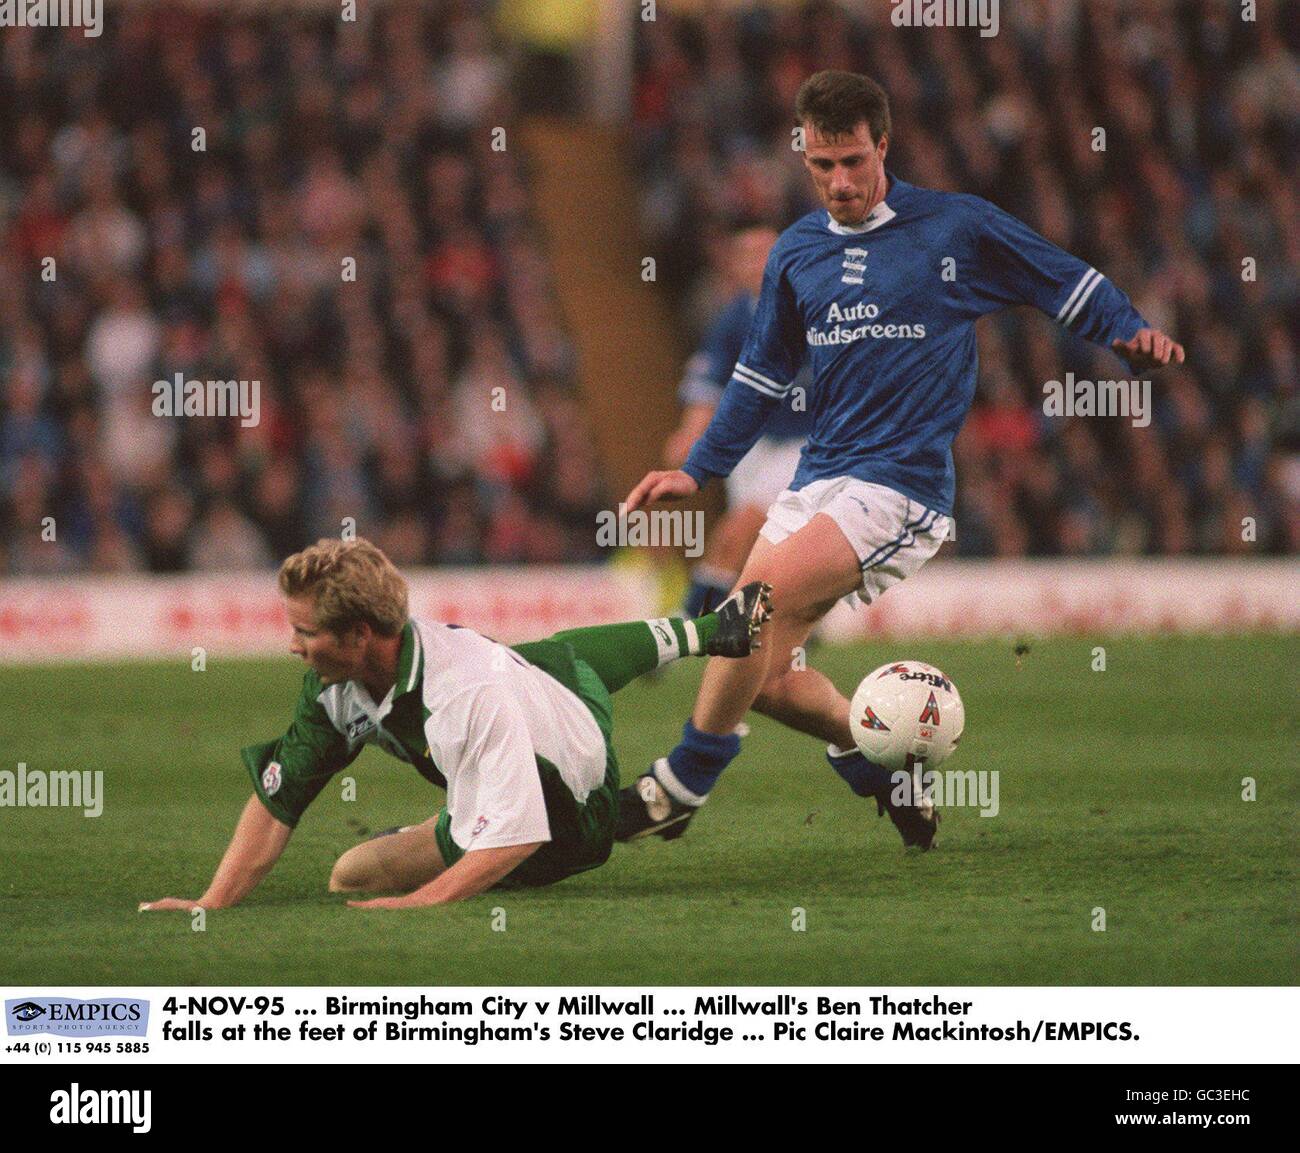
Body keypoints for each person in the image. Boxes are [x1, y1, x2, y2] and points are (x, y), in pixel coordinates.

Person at [616, 70, 1184, 850]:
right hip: (817, 480)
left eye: (853, 160)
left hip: (899, 486)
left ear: (883, 145)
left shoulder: (952, 226)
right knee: (763, 669)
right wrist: (699, 468)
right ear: (804, 157)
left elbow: (1056, 274)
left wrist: (1125, 330)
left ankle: (679, 784)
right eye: (822, 165)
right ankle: (886, 771)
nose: (840, 182)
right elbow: (758, 375)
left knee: (750, 604)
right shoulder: (796, 253)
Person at [140, 538, 769, 911]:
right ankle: (711, 630)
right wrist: (209, 904)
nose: (293, 647)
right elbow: (280, 799)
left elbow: (517, 838)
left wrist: (421, 902)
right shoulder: (338, 686)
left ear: (359, 635)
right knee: (558, 656)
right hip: (552, 701)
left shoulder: (462, 689)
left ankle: (633, 809)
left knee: (353, 874)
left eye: (304, 632)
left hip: (569, 814)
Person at [667, 225, 814, 618]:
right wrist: (689, 432)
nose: (758, 264)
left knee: (743, 528)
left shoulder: (813, 308)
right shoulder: (733, 320)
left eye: (765, 253)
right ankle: (768, 626)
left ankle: (687, 623)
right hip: (752, 446)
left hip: (803, 444)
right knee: (748, 540)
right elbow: (708, 382)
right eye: (747, 256)